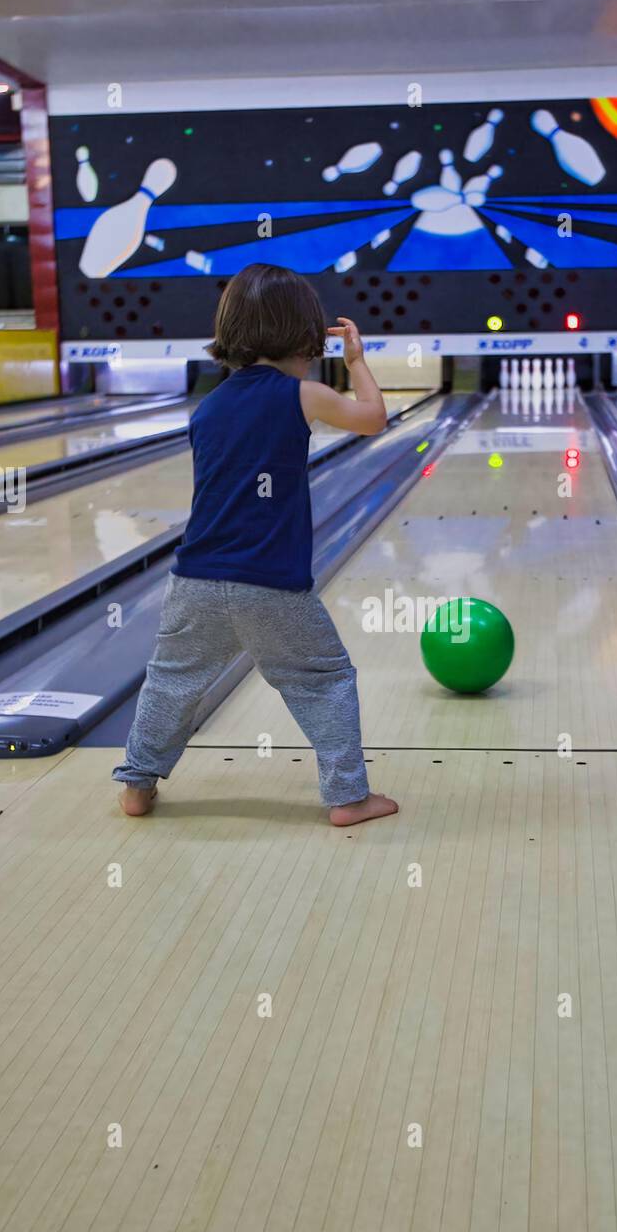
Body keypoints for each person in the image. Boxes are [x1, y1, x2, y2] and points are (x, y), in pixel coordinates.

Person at [112, 263, 398, 828]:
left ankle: (137, 785)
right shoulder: (304, 394)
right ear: (308, 337)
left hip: (193, 581)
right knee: (324, 680)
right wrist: (358, 361)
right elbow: (374, 419)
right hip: (271, 586)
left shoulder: (210, 408)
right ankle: (348, 797)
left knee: (170, 682)